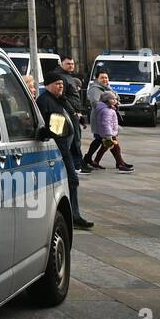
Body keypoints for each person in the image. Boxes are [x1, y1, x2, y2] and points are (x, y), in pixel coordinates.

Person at [37, 70, 94, 230]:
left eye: (62, 84)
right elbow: (46, 126)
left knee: (72, 181)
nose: (61, 86)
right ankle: (73, 215)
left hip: (67, 147)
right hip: (58, 148)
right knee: (71, 180)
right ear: (48, 85)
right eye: (57, 84)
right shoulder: (44, 101)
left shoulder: (60, 99)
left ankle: (73, 214)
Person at [57, 57, 90, 174]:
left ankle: (78, 163)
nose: (71, 66)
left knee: (76, 140)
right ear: (61, 64)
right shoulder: (61, 77)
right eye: (68, 64)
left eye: (72, 64)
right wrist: (72, 111)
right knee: (74, 140)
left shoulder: (69, 76)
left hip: (74, 113)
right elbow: (62, 97)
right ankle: (77, 165)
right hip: (69, 114)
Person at [91, 91, 134, 171]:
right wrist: (108, 134)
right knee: (116, 148)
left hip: (108, 133)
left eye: (115, 99)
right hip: (108, 134)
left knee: (105, 148)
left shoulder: (109, 108)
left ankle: (96, 162)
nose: (115, 101)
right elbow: (106, 123)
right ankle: (120, 165)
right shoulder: (106, 110)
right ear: (106, 100)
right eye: (112, 99)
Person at [82, 71, 113, 168]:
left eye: (106, 77)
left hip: (107, 117)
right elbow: (95, 103)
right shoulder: (95, 89)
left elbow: (115, 97)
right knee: (102, 139)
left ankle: (89, 158)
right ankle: (120, 162)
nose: (105, 79)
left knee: (100, 139)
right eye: (102, 78)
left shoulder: (107, 88)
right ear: (97, 79)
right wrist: (108, 105)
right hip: (99, 117)